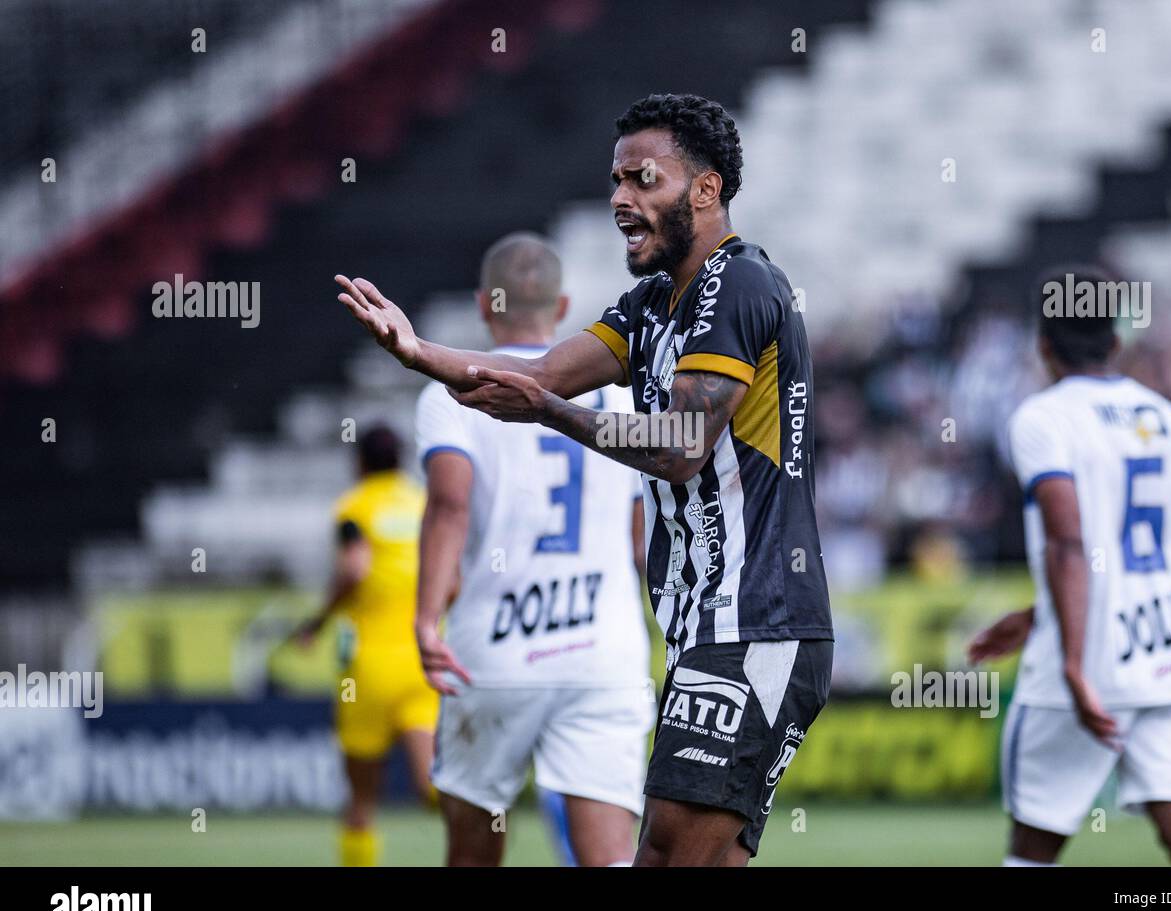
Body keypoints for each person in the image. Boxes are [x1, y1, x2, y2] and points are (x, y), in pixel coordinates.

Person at [335, 93, 834, 866]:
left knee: (666, 855)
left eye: (642, 180)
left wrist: (548, 412)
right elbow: (542, 371)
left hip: (757, 622)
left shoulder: (740, 287)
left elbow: (680, 445)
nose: (620, 200)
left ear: (705, 190)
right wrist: (419, 351)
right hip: (707, 628)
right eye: (615, 182)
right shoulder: (652, 306)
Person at [969, 267, 1171, 867]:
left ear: (1042, 345)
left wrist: (1070, 658)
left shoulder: (1043, 418)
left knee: (1033, 848)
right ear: (1116, 339)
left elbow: (1070, 541)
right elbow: (1134, 546)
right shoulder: (1167, 418)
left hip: (1086, 663)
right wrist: (1038, 614)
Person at [414, 231, 653, 866]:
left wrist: (425, 616)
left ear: (484, 305)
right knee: (610, 861)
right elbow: (640, 540)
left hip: (493, 651)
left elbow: (449, 507)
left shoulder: (452, 392)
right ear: (564, 303)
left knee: (473, 856)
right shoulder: (620, 393)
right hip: (602, 649)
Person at [294, 425, 438, 867]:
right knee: (434, 788)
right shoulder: (422, 501)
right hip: (420, 661)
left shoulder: (354, 506)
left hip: (366, 667)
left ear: (359, 463)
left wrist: (316, 623)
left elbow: (355, 568)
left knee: (361, 800)